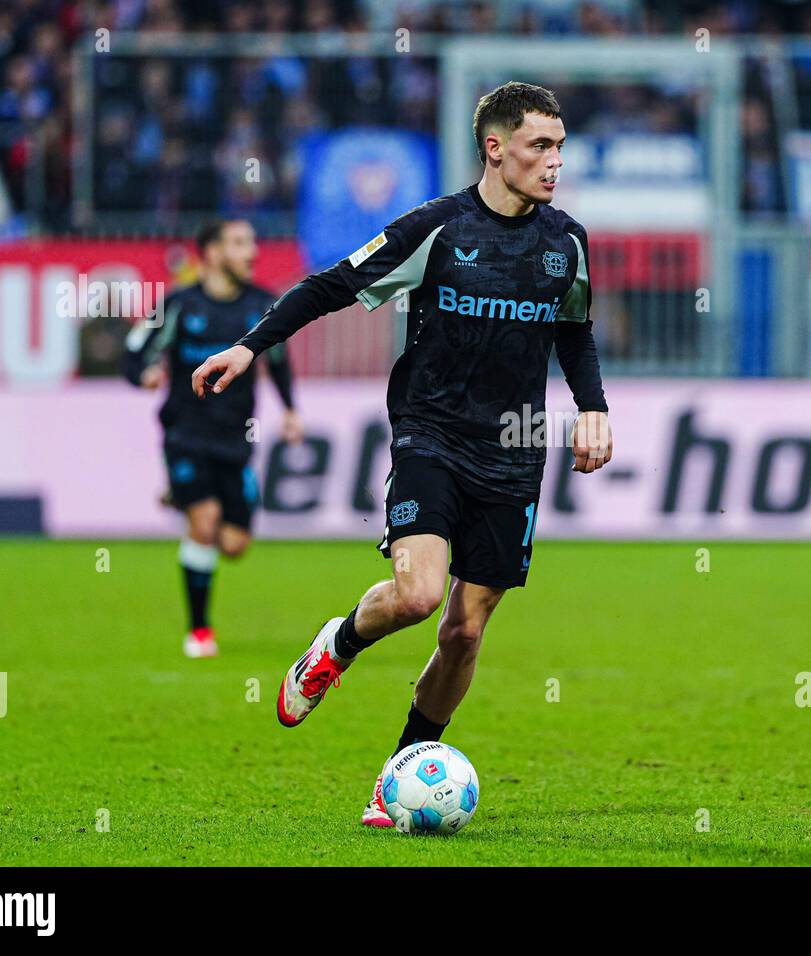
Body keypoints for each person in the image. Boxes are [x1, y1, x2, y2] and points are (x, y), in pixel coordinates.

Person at [192, 81, 613, 828]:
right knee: (418, 597)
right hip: (431, 434)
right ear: (495, 148)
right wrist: (249, 347)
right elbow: (332, 285)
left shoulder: (566, 242)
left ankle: (396, 779)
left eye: (560, 147)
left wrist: (593, 408)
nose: (555, 162)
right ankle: (339, 642)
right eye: (540, 146)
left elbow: (574, 331)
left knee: (465, 631)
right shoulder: (437, 229)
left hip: (516, 449)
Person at [124, 219, 302, 658]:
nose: (252, 252)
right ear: (213, 252)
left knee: (235, 544)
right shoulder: (178, 304)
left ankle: (180, 497)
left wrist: (290, 410)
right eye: (240, 243)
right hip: (185, 434)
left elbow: (278, 362)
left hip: (235, 439)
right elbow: (134, 351)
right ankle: (200, 630)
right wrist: (145, 374)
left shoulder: (263, 305)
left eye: (252, 242)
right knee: (204, 523)